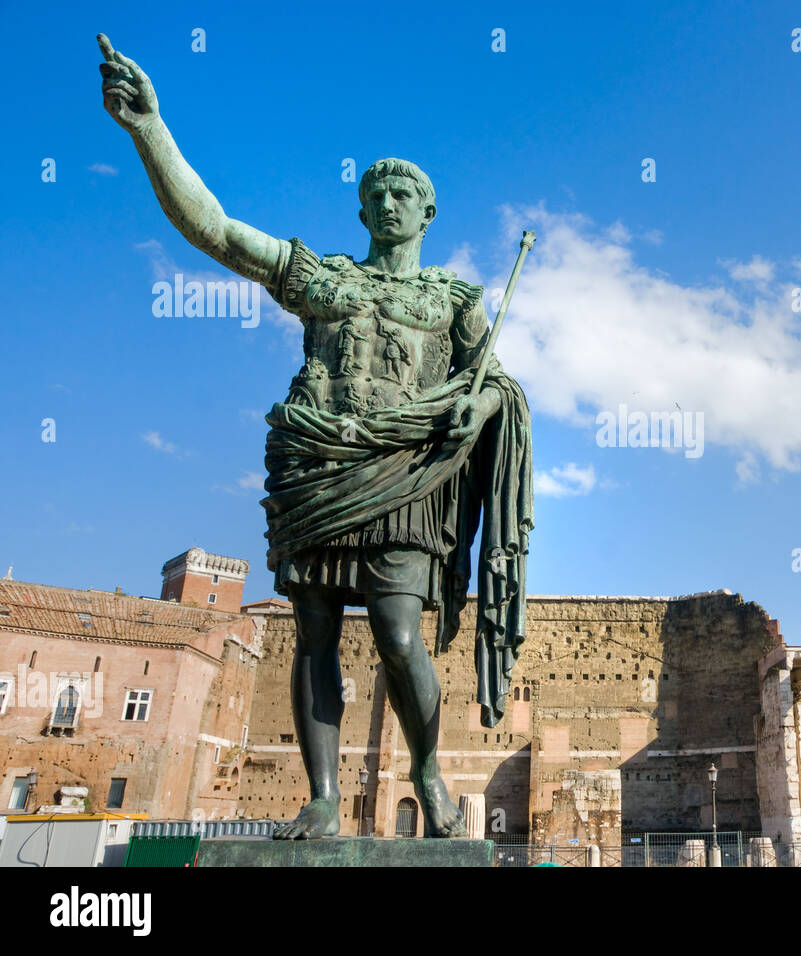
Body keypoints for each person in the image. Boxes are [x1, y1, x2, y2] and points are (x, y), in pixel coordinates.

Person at [99, 35, 533, 839]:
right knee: (314, 636)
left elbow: (495, 383)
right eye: (379, 192)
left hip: (405, 477)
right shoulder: (324, 277)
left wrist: (480, 409)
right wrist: (149, 129)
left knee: (402, 638)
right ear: (362, 208)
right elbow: (219, 232)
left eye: (406, 194)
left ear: (428, 213)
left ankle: (430, 772)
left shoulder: (455, 298)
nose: (391, 202)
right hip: (315, 468)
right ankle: (325, 798)